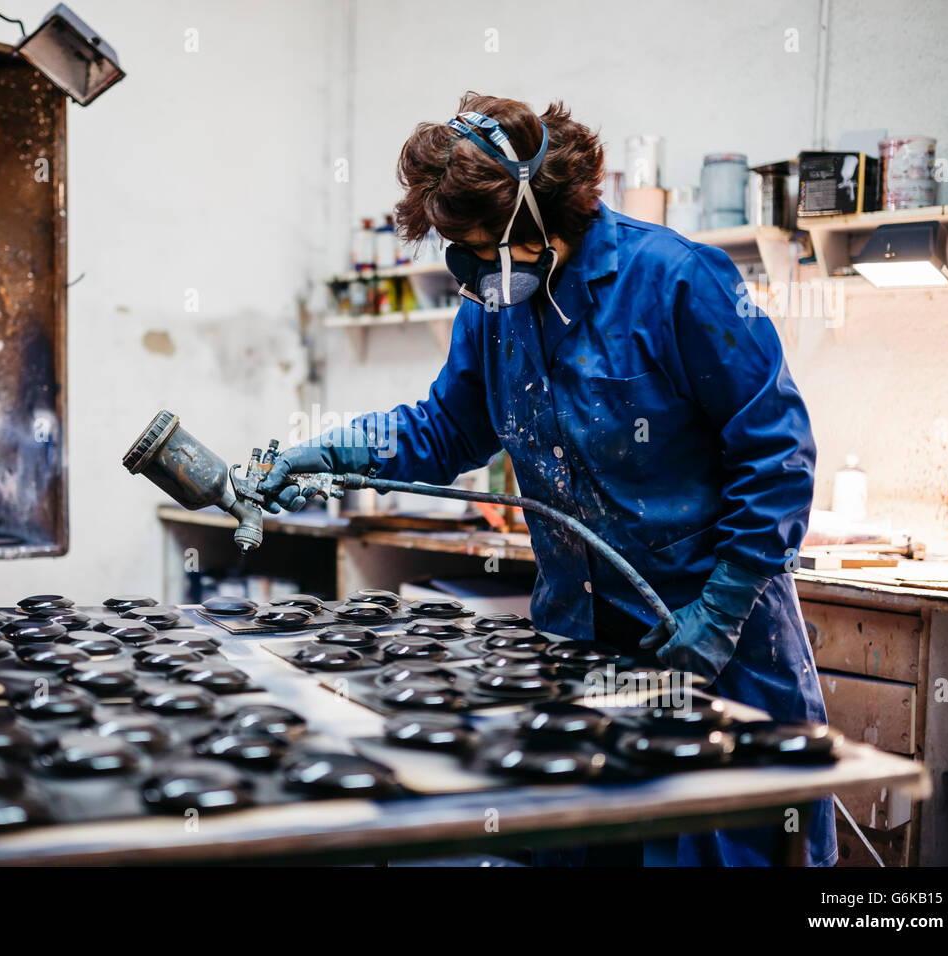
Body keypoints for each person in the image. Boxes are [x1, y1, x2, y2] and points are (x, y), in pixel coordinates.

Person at [259, 92, 835, 867]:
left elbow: (778, 456)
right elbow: (445, 428)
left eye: (466, 246)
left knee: (708, 850)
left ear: (526, 222)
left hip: (710, 640)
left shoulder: (677, 282)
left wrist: (721, 610)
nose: (461, 269)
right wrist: (329, 453)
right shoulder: (496, 304)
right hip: (578, 646)